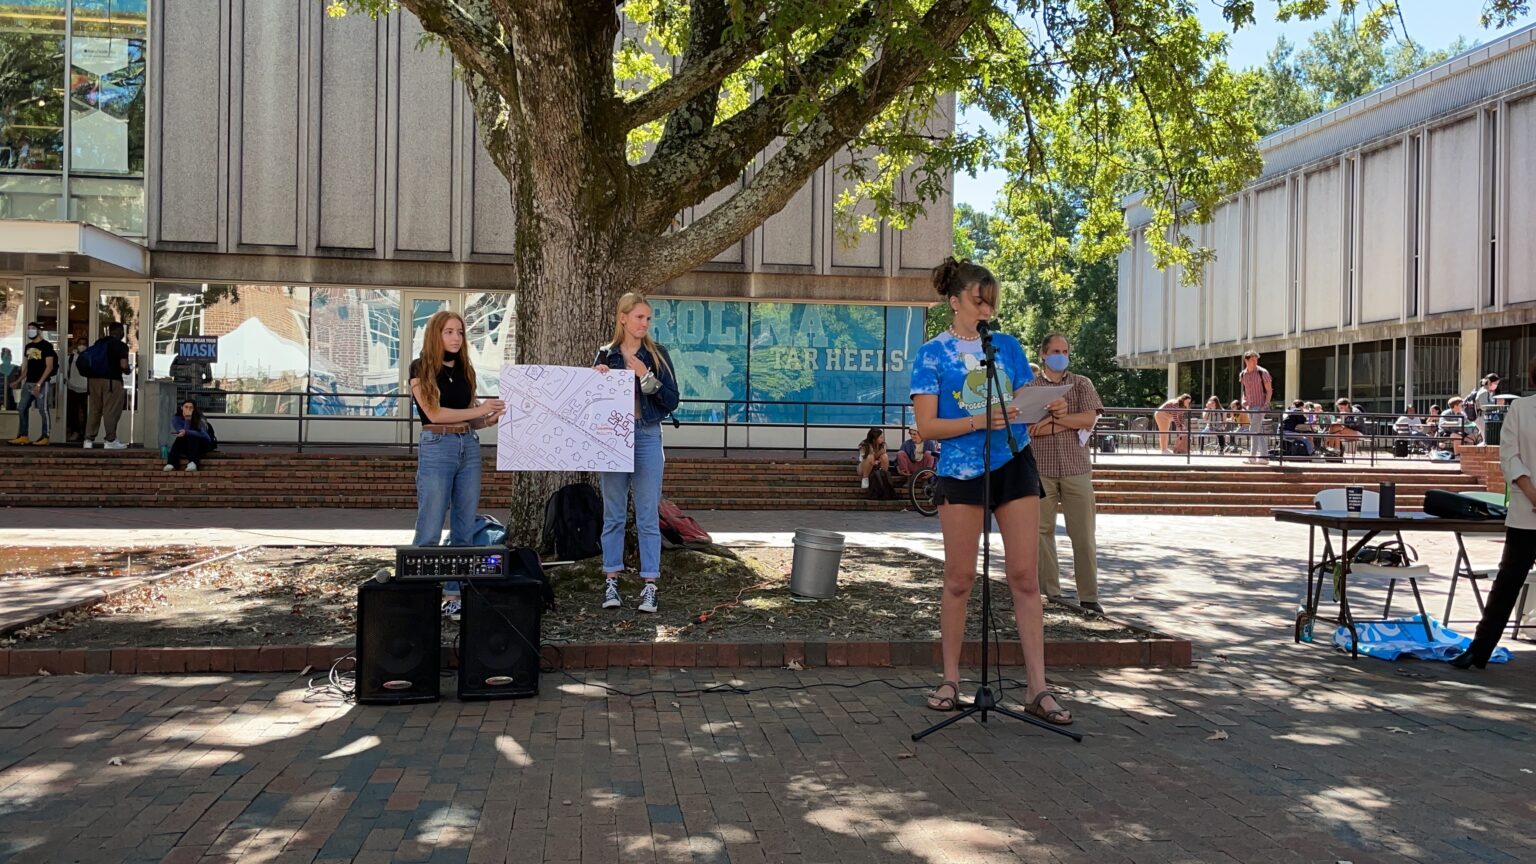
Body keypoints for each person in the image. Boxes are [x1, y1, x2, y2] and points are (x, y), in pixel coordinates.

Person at [910, 257, 1071, 726]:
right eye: (979, 302)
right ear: (955, 300)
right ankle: (950, 679)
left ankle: (1038, 689)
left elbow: (1024, 402)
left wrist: (1043, 405)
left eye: (991, 303)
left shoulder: (1007, 347)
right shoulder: (931, 354)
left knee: (1025, 577)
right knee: (959, 578)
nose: (986, 311)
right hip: (961, 472)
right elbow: (926, 426)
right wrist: (979, 421)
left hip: (1013, 464)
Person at [408, 311, 507, 617]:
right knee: (431, 524)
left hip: (468, 446)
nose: (455, 338)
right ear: (435, 335)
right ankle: (420, 595)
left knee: (464, 526)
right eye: (449, 332)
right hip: (437, 445)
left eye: (460, 333)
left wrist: (490, 417)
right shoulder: (420, 367)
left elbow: (470, 419)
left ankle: (454, 595)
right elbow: (435, 414)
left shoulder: (465, 369)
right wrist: (478, 409)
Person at [594, 292, 680, 614]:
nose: (644, 323)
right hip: (612, 438)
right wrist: (598, 378)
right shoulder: (606, 354)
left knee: (646, 515)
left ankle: (649, 586)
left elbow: (672, 400)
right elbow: (591, 401)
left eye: (648, 318)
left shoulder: (658, 355)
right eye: (639, 317)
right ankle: (611, 581)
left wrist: (646, 377)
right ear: (623, 318)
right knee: (613, 514)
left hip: (646, 435)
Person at [1452, 358, 1536, 669]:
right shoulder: (1521, 409)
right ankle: (1480, 648)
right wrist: (1530, 491)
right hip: (1526, 512)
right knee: (1507, 583)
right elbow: (1509, 455)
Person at [1027, 333, 1105, 614]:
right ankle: (1051, 593)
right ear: (1043, 355)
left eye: (1065, 350)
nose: (1062, 354)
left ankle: (1089, 596)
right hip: (1041, 469)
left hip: (1076, 468)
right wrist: (1063, 422)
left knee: (1083, 533)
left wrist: (1055, 423)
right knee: (1040, 532)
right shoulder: (1031, 387)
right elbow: (1028, 425)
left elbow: (1089, 417)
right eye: (1056, 350)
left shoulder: (1081, 383)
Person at [83, 322, 131, 449]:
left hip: (93, 381)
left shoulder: (99, 343)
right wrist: (128, 371)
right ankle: (110, 440)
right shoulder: (121, 346)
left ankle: (88, 440)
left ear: (109, 331)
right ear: (121, 332)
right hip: (111, 381)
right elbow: (123, 365)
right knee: (110, 410)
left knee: (94, 410)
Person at [9, 322, 56, 445]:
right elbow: (28, 367)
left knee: (43, 409)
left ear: (39, 331)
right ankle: (23, 435)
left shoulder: (46, 346)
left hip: (42, 384)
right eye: (28, 328)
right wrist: (18, 381)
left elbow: (49, 367)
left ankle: (45, 437)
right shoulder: (28, 346)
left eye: (33, 328)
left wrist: (39, 384)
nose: (30, 330)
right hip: (28, 383)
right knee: (22, 408)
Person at [1238, 350, 1273, 464]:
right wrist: (1243, 401)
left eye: (1256, 359)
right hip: (1250, 406)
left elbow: (1269, 390)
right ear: (1246, 360)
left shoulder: (1263, 372)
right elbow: (1245, 391)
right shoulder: (1243, 374)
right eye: (1253, 359)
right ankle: (1264, 457)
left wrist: (1266, 405)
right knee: (1258, 430)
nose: (1255, 361)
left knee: (1253, 430)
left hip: (1260, 406)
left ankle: (1252, 457)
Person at [163, 400, 214, 471]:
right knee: (179, 439)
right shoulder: (176, 418)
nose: (188, 409)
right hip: (187, 445)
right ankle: (171, 463)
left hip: (203, 444)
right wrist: (187, 420)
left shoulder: (200, 417)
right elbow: (182, 433)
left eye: (191, 408)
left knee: (193, 436)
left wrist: (187, 430)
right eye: (186, 407)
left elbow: (205, 436)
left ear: (194, 409)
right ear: (181, 408)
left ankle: (193, 463)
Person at [856, 427, 896, 499]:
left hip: (877, 465)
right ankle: (865, 479)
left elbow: (882, 458)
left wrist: (878, 460)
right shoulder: (864, 445)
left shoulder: (882, 445)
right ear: (874, 439)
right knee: (870, 457)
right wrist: (877, 455)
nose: (883, 439)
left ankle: (883, 476)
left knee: (885, 456)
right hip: (865, 467)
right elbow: (864, 459)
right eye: (881, 437)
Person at [64, 336, 88, 442]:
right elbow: (66, 370)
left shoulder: (89, 356)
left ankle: (85, 432)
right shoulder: (71, 356)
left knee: (85, 412)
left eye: (84, 344)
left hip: (86, 388)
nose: (82, 346)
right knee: (73, 412)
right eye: (80, 343)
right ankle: (75, 431)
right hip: (72, 387)